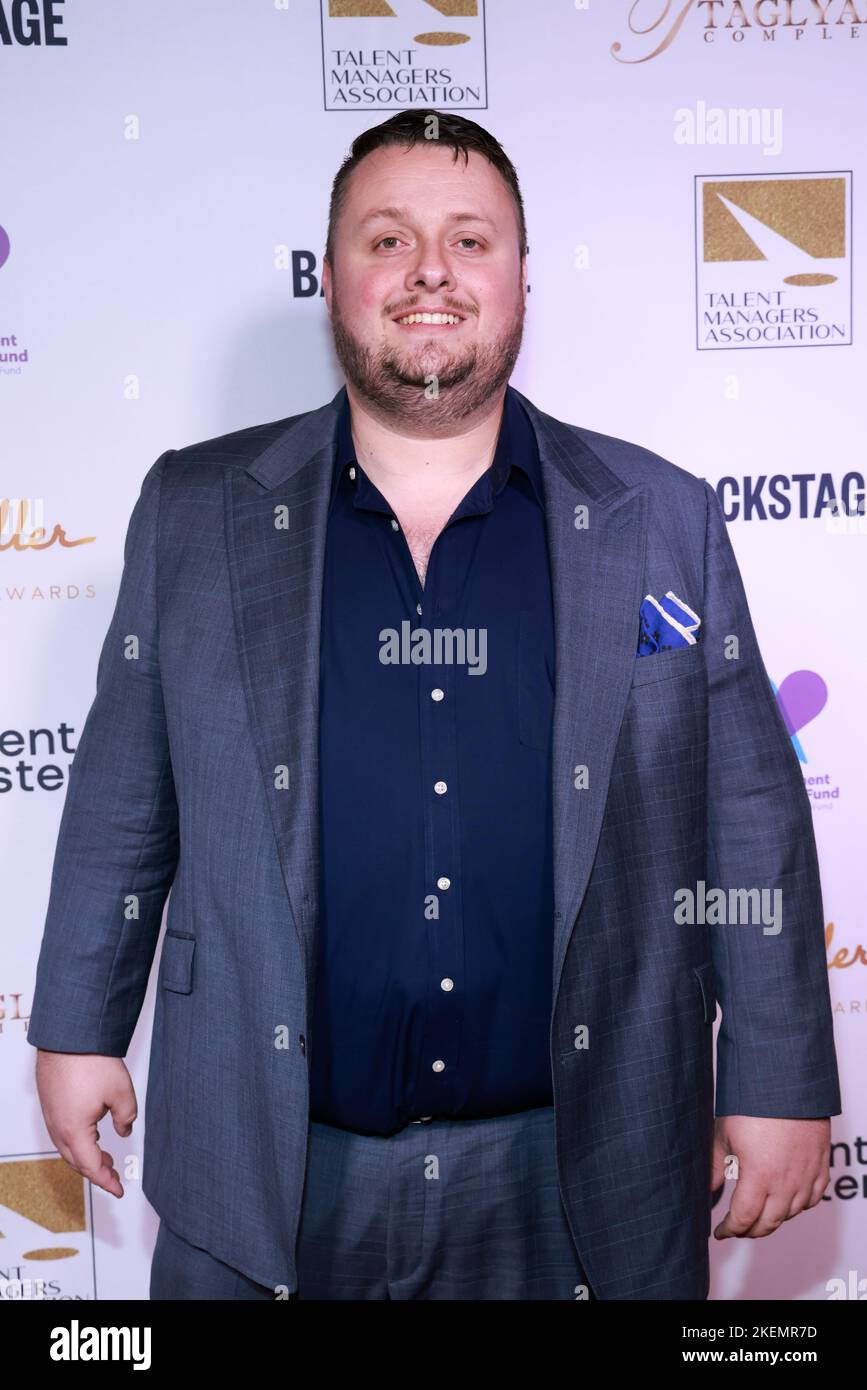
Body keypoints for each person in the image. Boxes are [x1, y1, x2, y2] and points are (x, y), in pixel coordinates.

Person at [28, 109, 841, 1301]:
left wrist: (775, 1075)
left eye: (470, 241)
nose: (430, 275)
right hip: (264, 1164)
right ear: (332, 279)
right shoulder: (194, 508)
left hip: (581, 1173)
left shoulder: (665, 519)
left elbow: (750, 820)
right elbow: (121, 794)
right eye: (387, 239)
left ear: (519, 276)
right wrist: (78, 1023)